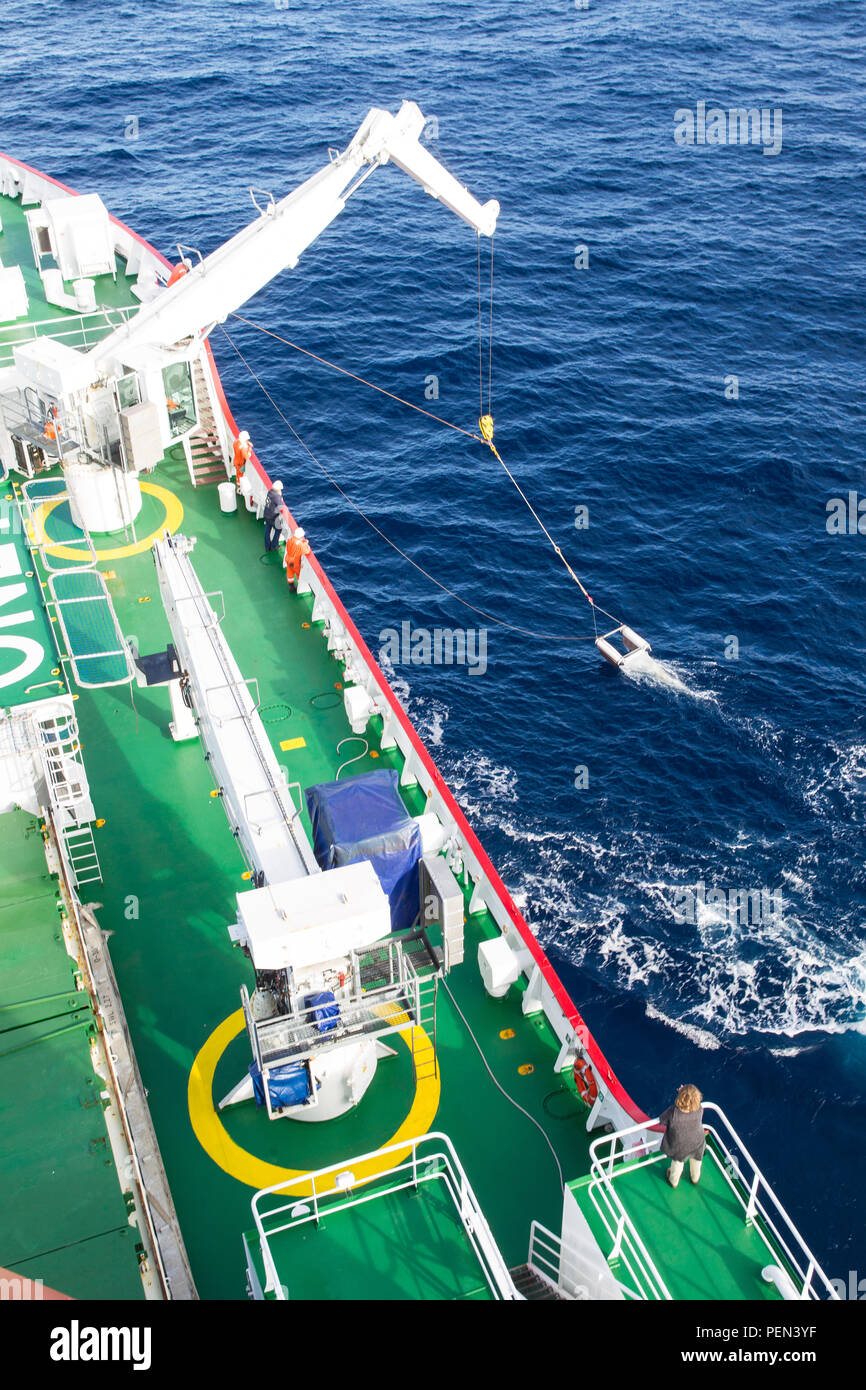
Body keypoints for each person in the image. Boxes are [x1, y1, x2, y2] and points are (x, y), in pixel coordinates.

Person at [658, 1083, 706, 1188]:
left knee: (677, 1164)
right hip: (698, 1142)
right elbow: (692, 1102)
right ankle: (695, 1178)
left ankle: (673, 1182)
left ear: (680, 1098)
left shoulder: (673, 1112)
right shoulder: (699, 1109)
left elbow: (662, 1120)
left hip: (680, 1147)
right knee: (697, 1161)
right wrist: (686, 1094)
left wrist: (682, 1093)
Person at [263, 480, 284, 551]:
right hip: (272, 517)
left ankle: (267, 546)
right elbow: (281, 506)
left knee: (267, 531)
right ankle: (274, 546)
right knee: (278, 529)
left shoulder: (269, 492)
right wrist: (280, 498)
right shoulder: (277, 497)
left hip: (266, 514)